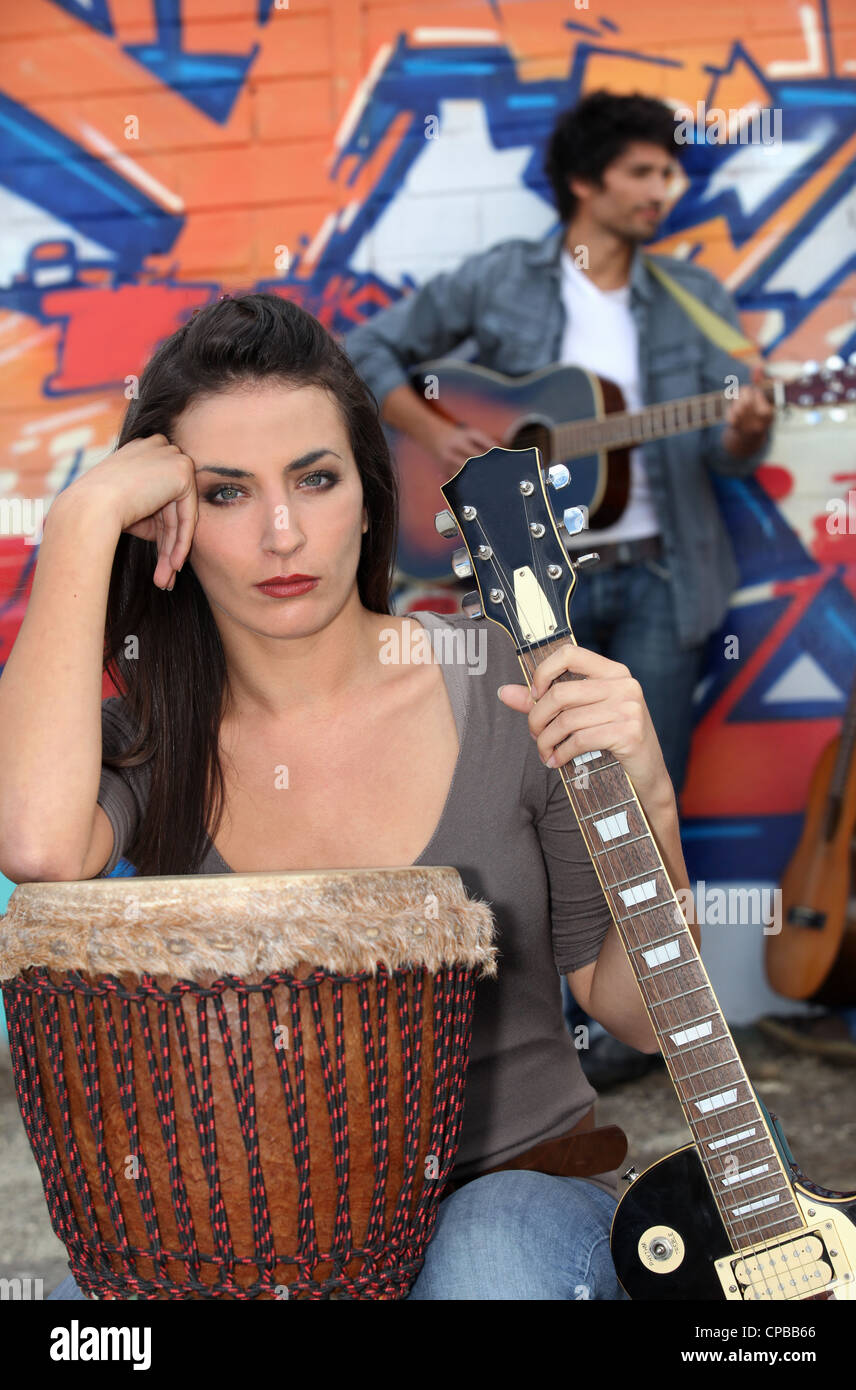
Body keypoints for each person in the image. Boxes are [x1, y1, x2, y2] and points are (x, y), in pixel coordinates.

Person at [0, 293, 696, 1300]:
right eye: (228, 493)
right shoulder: (149, 737)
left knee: (482, 1269)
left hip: (508, 1200)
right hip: (254, 1230)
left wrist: (654, 805)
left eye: (314, 479)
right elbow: (34, 844)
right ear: (172, 523)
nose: (283, 533)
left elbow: (639, 1018)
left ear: (367, 497)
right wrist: (79, 521)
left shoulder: (508, 682)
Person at [344, 88, 774, 1087]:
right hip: (528, 586)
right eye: (641, 172)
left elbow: (723, 448)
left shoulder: (680, 300)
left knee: (634, 788)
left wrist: (745, 428)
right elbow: (368, 350)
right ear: (585, 180)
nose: (661, 190)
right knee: (536, 792)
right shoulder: (504, 279)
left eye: (670, 173)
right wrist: (432, 428)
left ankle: (638, 1025)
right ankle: (544, 1023)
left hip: (659, 577)